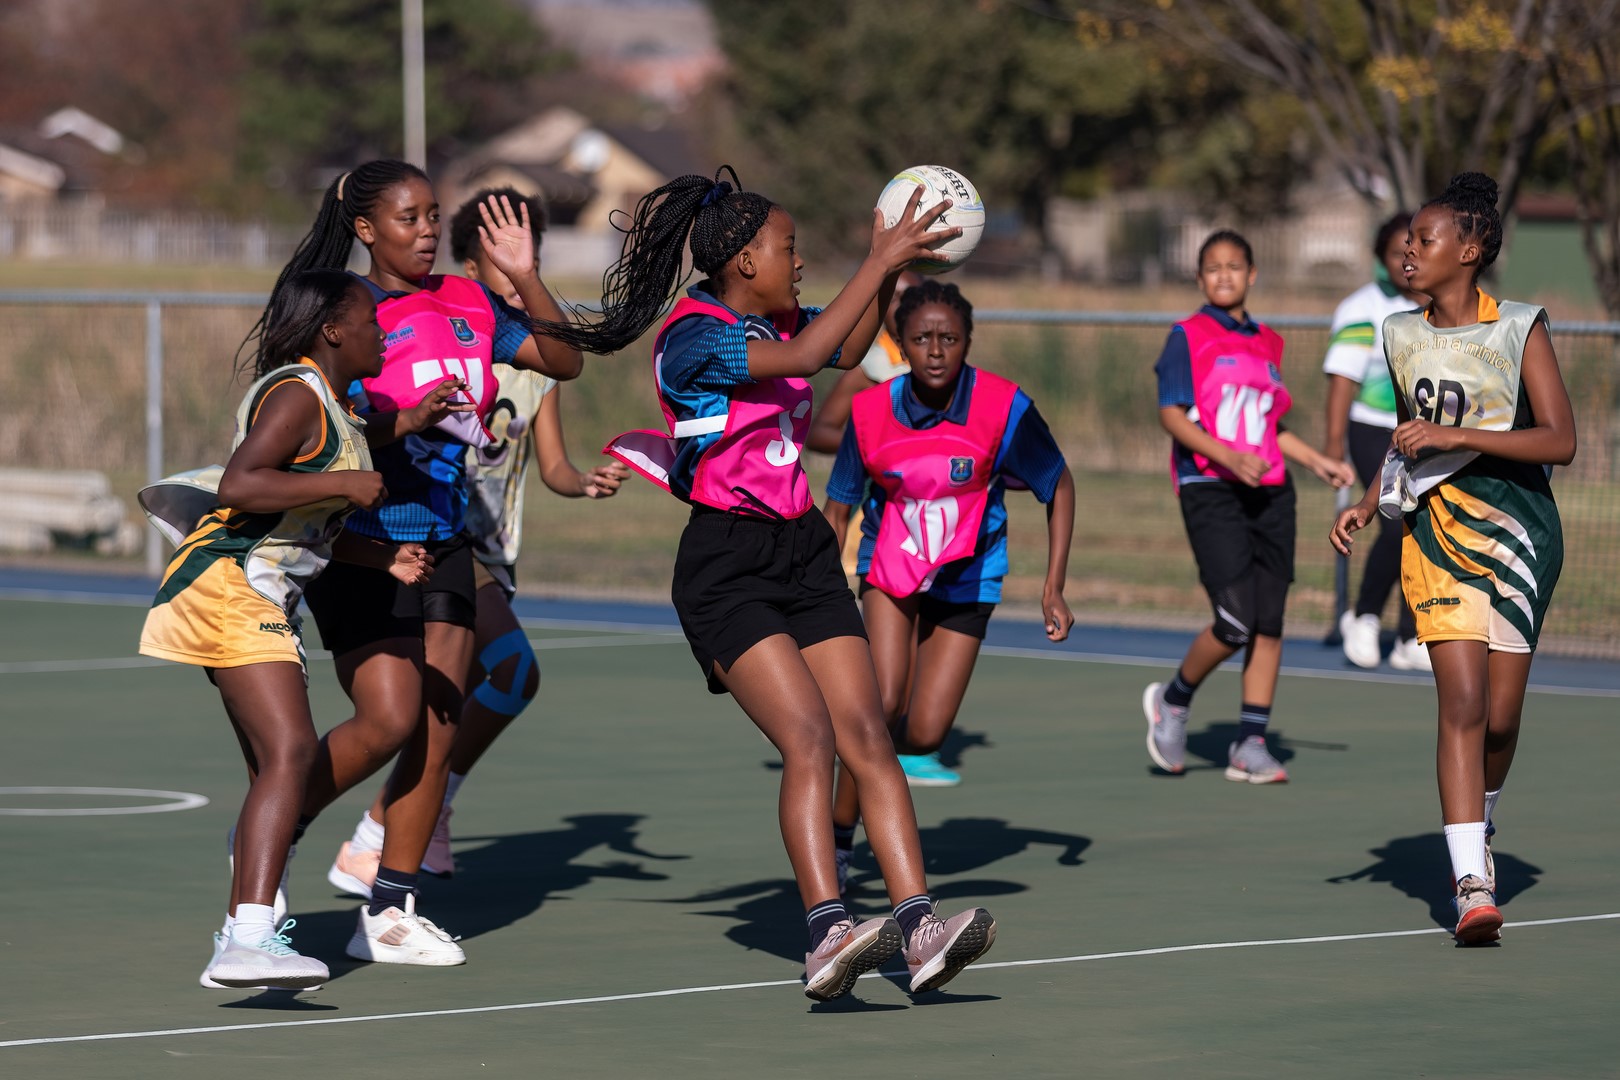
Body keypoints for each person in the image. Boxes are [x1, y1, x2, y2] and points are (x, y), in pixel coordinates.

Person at [544, 167, 997, 1001]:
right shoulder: (695, 335)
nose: (798, 262)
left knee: (867, 732)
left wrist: (890, 263)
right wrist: (879, 256)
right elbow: (811, 356)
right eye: (788, 249)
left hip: (803, 552)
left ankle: (919, 924)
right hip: (727, 565)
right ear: (743, 258)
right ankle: (827, 932)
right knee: (810, 741)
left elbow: (853, 348)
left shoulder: (779, 314)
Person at [240, 158, 584, 968]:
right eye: (408, 218)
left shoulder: (469, 301)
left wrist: (529, 280)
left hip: (447, 535)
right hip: (363, 541)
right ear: (365, 229)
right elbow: (324, 437)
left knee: (437, 718)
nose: (427, 231)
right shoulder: (348, 314)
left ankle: (390, 910)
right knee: (388, 719)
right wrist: (405, 422)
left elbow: (564, 363)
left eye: (435, 216)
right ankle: (273, 825)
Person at [137, 270, 442, 989]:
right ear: (333, 329)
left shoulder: (336, 411)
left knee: (272, 765)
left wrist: (383, 554)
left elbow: (300, 529)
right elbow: (243, 484)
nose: (384, 331)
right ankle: (247, 941)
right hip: (228, 585)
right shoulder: (295, 393)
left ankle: (245, 936)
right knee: (293, 750)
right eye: (372, 319)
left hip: (258, 589)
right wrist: (342, 485)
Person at [329, 186, 628, 886]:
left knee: (440, 707)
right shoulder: (410, 329)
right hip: (427, 532)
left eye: (530, 256)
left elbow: (552, 457)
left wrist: (583, 481)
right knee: (483, 683)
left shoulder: (522, 356)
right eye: (501, 256)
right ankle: (375, 826)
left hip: (482, 545)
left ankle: (404, 834)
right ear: (471, 264)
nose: (519, 270)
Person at [1331, 172, 1573, 944]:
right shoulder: (1398, 333)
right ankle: (1471, 883)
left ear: (1469, 250)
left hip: (1519, 535)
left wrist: (1460, 437)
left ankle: (1483, 823)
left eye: (1424, 241)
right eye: (1406, 241)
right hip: (1434, 536)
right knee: (1462, 706)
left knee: (1501, 720)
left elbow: (1559, 441)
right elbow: (1409, 436)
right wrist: (1371, 501)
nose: (1408, 251)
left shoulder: (1521, 328)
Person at [822, 279, 1074, 887]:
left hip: (968, 576)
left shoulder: (1004, 405)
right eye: (922, 338)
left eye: (950, 338)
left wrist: (1053, 586)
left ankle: (868, 789)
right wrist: (821, 591)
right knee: (879, 707)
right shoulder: (870, 411)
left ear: (967, 342)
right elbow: (838, 506)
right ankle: (838, 840)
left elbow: (1057, 483)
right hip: (890, 571)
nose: (936, 350)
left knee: (926, 731)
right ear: (901, 346)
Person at [1142, 229, 1354, 784]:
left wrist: (1316, 460)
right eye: (1212, 267)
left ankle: (1250, 743)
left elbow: (1268, 427)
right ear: (1199, 277)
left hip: (1270, 491)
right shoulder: (1185, 337)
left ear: (1252, 273)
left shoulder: (1268, 341)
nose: (1224, 275)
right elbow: (1173, 414)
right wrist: (1230, 459)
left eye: (1234, 266)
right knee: (1234, 619)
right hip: (1210, 485)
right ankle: (1174, 699)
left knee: (1268, 619)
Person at [1322, 213, 1430, 671]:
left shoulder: (1437, 305)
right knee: (1391, 521)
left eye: (1417, 246)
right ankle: (1364, 617)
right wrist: (1332, 446)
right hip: (1372, 429)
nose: (1408, 258)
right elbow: (1343, 382)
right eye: (1396, 251)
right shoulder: (1360, 308)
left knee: (1421, 529)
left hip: (1425, 432)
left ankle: (1411, 635)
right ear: (1381, 258)